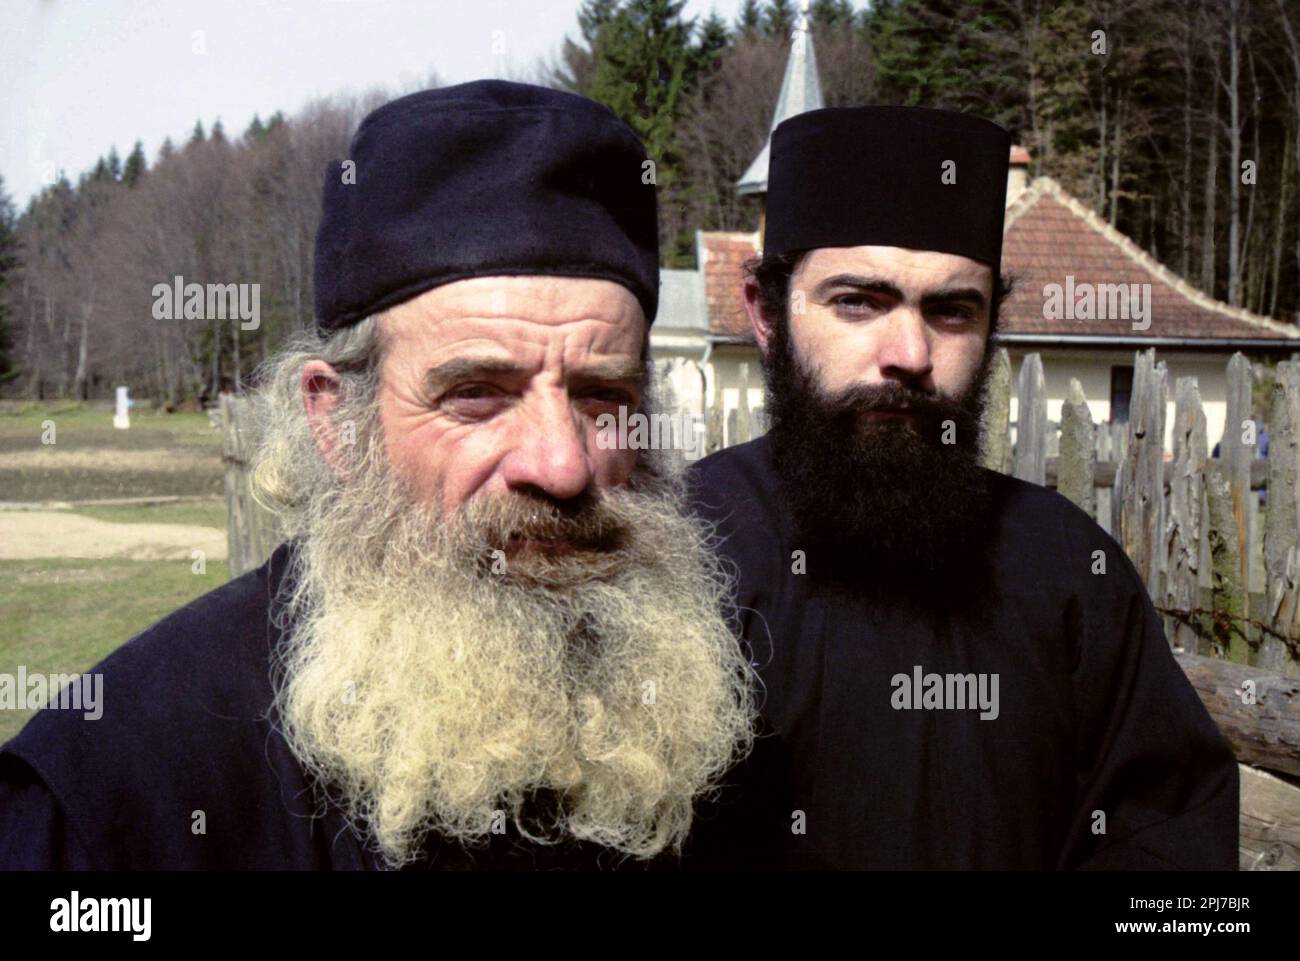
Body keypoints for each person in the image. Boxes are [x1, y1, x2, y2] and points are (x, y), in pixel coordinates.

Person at [0, 81, 758, 870]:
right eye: (476, 395)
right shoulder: (122, 793)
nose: (563, 464)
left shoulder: (696, 731)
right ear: (337, 421)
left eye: (603, 396)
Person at [684, 105, 1239, 869]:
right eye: (859, 301)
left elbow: (1174, 852)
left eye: (951, 310)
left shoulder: (1071, 571)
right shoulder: (682, 556)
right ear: (766, 313)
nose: (910, 353)